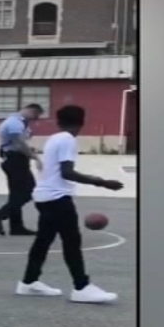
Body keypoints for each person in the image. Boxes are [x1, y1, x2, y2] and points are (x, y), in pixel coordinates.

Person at [15, 105, 123, 302]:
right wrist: (102, 182)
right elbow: (67, 172)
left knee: (43, 242)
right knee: (71, 242)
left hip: (44, 196)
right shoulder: (67, 140)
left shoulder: (54, 138)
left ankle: (28, 282)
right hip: (57, 198)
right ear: (82, 122)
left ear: (58, 121)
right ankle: (81, 287)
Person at [0, 103, 44, 235]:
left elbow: (21, 143)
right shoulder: (14, 123)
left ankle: (16, 226)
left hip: (16, 158)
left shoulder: (20, 123)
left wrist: (30, 150)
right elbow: (19, 143)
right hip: (15, 160)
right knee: (28, 191)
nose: (35, 119)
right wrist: (35, 157)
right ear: (30, 110)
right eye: (35, 115)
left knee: (16, 195)